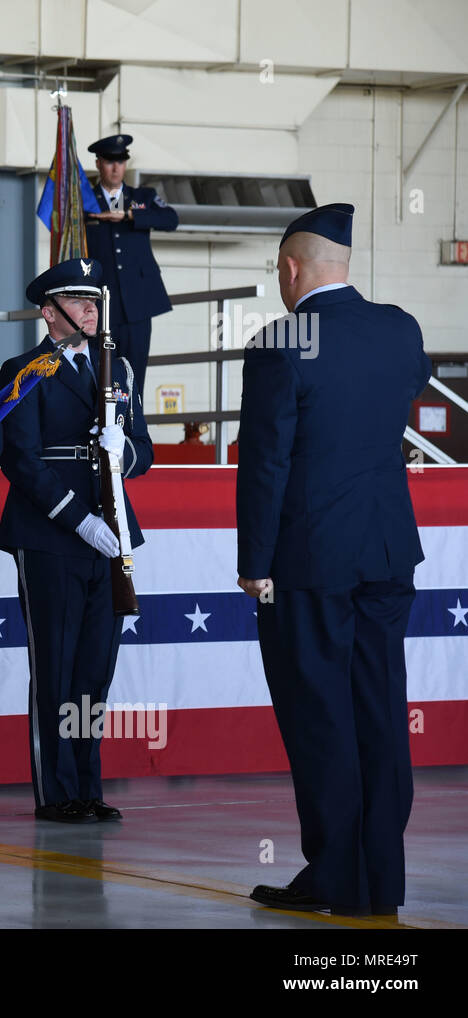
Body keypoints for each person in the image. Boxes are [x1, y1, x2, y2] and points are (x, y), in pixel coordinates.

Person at [239, 204, 432, 917]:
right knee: (380, 712)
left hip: (309, 562)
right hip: (387, 551)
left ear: (291, 269)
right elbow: (409, 388)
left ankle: (336, 879)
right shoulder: (399, 328)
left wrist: (254, 561)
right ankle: (382, 880)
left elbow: (265, 464)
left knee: (321, 718)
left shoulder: (280, 342)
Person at [0, 258, 153, 823]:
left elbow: (144, 450)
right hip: (50, 536)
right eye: (78, 302)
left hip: (110, 538)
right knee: (55, 666)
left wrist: (122, 451)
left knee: (94, 669)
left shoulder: (118, 369)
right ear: (49, 312)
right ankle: (55, 790)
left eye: (93, 301)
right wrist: (78, 519)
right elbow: (21, 460)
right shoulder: (25, 369)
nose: (91, 310)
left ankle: (87, 784)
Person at [83, 134, 178, 395]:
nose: (116, 168)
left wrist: (129, 215)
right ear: (98, 163)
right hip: (101, 303)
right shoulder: (85, 201)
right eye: (110, 161)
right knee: (101, 377)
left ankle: (133, 432)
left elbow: (171, 219)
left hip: (138, 302)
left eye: (121, 162)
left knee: (135, 376)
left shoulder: (141, 196)